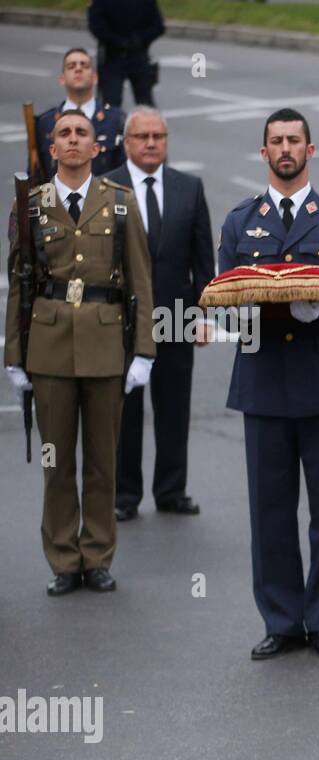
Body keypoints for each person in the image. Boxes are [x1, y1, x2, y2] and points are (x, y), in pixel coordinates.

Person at [220, 109, 319, 661]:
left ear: (311, 151)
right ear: (264, 154)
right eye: (275, 141)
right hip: (264, 384)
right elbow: (226, 303)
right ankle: (282, 620)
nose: (285, 148)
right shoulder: (240, 221)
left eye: (294, 140)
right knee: (271, 510)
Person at [4, 109, 154, 596]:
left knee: (102, 460)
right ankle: (64, 558)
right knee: (55, 460)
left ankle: (98, 555)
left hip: (106, 344)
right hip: (47, 348)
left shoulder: (122, 203)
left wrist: (145, 351)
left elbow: (141, 283)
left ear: (96, 148)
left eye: (80, 133)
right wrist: (14, 355)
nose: (72, 140)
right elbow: (17, 285)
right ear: (52, 149)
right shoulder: (30, 206)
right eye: (63, 134)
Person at [107, 107, 214, 522]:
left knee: (174, 407)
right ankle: (125, 495)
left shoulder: (189, 187)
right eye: (142, 136)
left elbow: (203, 259)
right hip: (121, 320)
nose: (151, 143)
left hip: (176, 317)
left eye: (158, 136)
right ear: (127, 142)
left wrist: (205, 314)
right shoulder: (107, 187)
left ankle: (172, 489)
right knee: (125, 410)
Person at [35, 48, 126, 182]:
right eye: (71, 66)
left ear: (95, 77)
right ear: (62, 78)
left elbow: (124, 170)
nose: (78, 69)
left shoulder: (116, 119)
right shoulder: (45, 122)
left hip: (105, 200)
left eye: (84, 65)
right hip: (57, 201)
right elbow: (36, 174)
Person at [87, 0, 165, 109]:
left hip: (118, 55)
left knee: (112, 105)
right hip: (126, 55)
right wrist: (140, 40)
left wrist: (119, 41)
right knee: (143, 103)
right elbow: (158, 26)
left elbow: (96, 25)